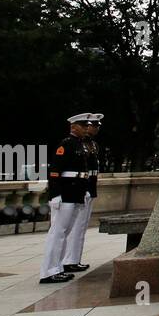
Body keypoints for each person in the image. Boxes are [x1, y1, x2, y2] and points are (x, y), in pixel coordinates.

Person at [39, 114, 94, 284]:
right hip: (65, 195)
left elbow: (81, 173)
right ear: (74, 127)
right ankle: (49, 271)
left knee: (65, 233)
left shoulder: (80, 145)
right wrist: (55, 195)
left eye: (87, 126)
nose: (86, 128)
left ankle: (58, 268)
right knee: (57, 233)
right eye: (83, 125)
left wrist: (84, 190)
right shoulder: (66, 145)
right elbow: (55, 172)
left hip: (75, 194)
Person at [61, 113, 103, 273]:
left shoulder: (92, 144)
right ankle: (67, 260)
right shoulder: (75, 144)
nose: (93, 129)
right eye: (91, 126)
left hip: (88, 186)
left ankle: (74, 259)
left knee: (82, 226)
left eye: (93, 126)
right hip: (78, 188)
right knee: (73, 226)